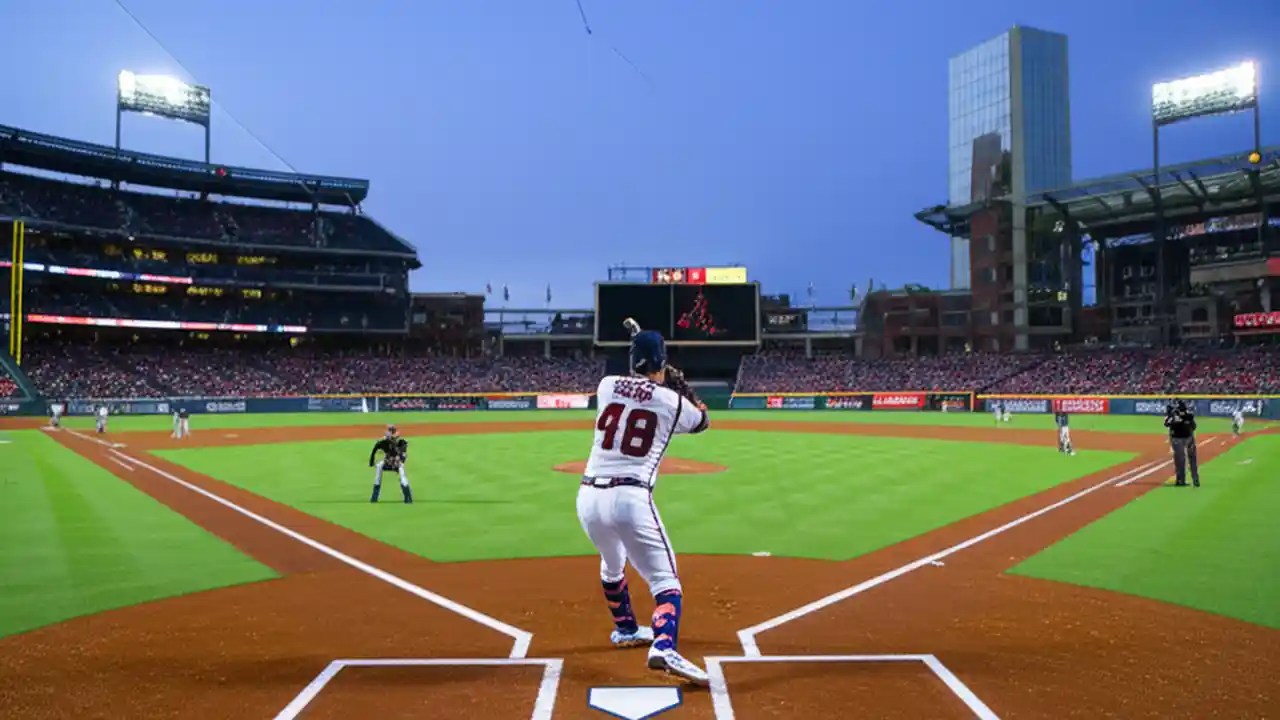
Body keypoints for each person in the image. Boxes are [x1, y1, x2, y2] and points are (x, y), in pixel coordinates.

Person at [576, 330, 711, 685]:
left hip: (588, 499)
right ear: (662, 363)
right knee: (666, 582)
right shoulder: (672, 402)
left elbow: (634, 394)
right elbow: (703, 421)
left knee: (611, 564)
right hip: (630, 499)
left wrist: (665, 381)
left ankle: (625, 629)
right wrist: (681, 386)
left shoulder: (606, 386)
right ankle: (664, 646)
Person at [369, 424, 412, 503]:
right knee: (379, 466)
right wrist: (371, 462)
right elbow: (375, 449)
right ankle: (374, 497)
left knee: (402, 474)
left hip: (397, 463)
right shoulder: (384, 442)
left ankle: (408, 497)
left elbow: (403, 456)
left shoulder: (401, 442)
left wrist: (399, 460)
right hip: (387, 462)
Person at [1164, 400, 1199, 487]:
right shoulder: (1188, 415)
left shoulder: (1178, 415)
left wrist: (1176, 420)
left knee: (1180, 459)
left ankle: (1181, 480)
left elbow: (1166, 424)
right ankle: (1194, 479)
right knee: (1190, 459)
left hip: (1178, 438)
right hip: (1187, 438)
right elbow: (1194, 426)